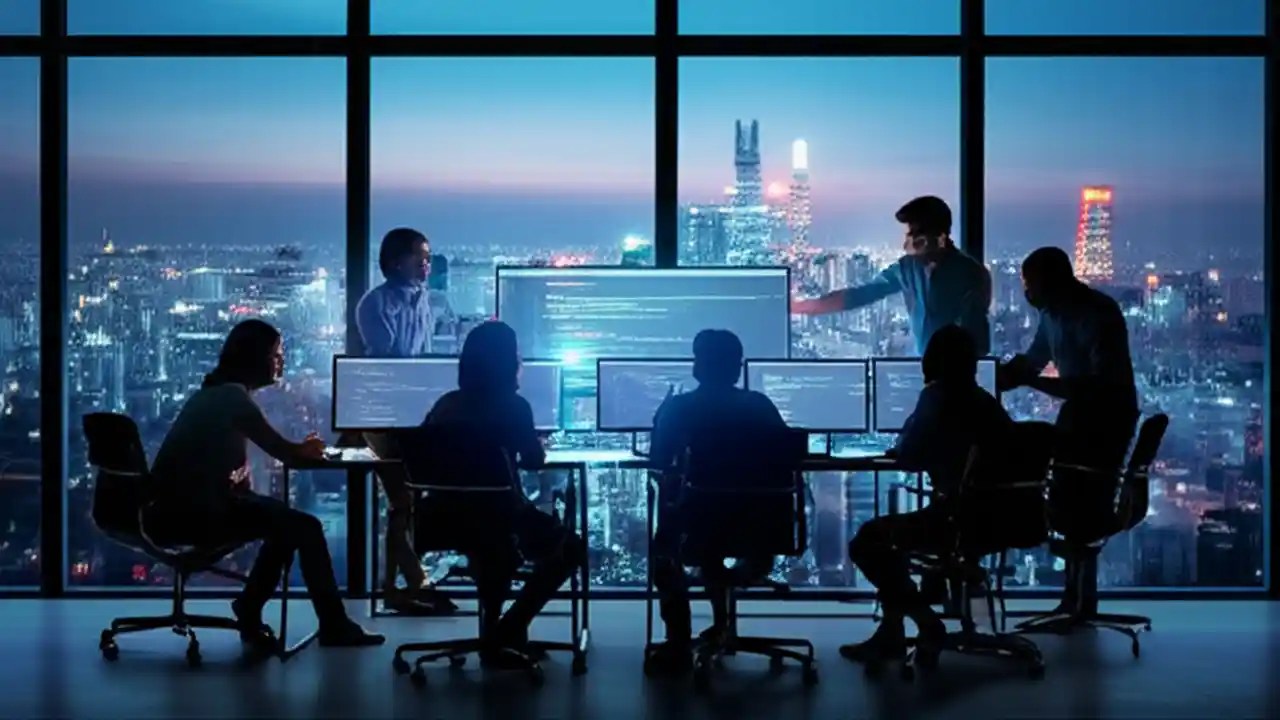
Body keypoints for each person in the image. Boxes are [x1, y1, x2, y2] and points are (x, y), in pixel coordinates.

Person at [147, 319, 383, 649]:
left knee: (288, 524)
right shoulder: (234, 401)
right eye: (276, 354)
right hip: (194, 515)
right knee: (306, 527)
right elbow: (288, 455)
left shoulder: (215, 394)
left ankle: (252, 606)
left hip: (180, 508)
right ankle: (332, 624)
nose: (281, 362)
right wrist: (311, 449)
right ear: (254, 358)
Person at [841, 325, 1013, 666]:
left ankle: (925, 623)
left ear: (930, 363)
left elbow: (908, 456)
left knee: (869, 542)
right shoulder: (987, 403)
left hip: (956, 521)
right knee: (890, 539)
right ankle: (891, 635)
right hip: (998, 520)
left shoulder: (938, 397)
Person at [422, 321, 584, 667]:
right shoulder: (513, 406)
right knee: (571, 548)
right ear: (510, 362)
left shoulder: (446, 405)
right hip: (501, 518)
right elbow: (533, 460)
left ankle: (498, 634)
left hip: (441, 519)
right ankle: (508, 630)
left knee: (492, 545)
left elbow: (425, 453)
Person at [997, 246, 1139, 617]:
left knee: (1082, 503)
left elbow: (1094, 385)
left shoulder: (1098, 313)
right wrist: (999, 378)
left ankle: (1079, 602)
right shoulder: (1051, 314)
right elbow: (1033, 360)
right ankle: (1075, 600)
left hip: (1106, 419)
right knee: (1068, 495)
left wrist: (1032, 382)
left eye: (1030, 284)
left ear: (1052, 281)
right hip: (1077, 415)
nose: (1027, 292)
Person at [645, 329, 788, 674]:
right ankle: (722, 625)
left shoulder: (680, 409)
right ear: (737, 368)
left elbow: (659, 459)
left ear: (697, 366)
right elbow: (789, 458)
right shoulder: (760, 406)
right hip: (759, 529)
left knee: (664, 553)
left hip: (699, 529)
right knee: (715, 536)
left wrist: (658, 419)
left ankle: (678, 640)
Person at [355, 227, 455, 615]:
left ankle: (400, 587)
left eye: (429, 256)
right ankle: (411, 583)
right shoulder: (375, 303)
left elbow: (424, 356)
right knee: (401, 499)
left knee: (406, 502)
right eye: (420, 256)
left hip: (414, 414)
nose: (426, 263)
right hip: (382, 413)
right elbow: (387, 361)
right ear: (396, 260)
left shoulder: (425, 300)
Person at [792, 196, 991, 356]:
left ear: (940, 236)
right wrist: (806, 307)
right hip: (921, 371)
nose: (910, 240)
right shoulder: (907, 268)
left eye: (917, 233)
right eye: (909, 233)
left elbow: (978, 337)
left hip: (960, 377)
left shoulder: (970, 274)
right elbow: (863, 293)